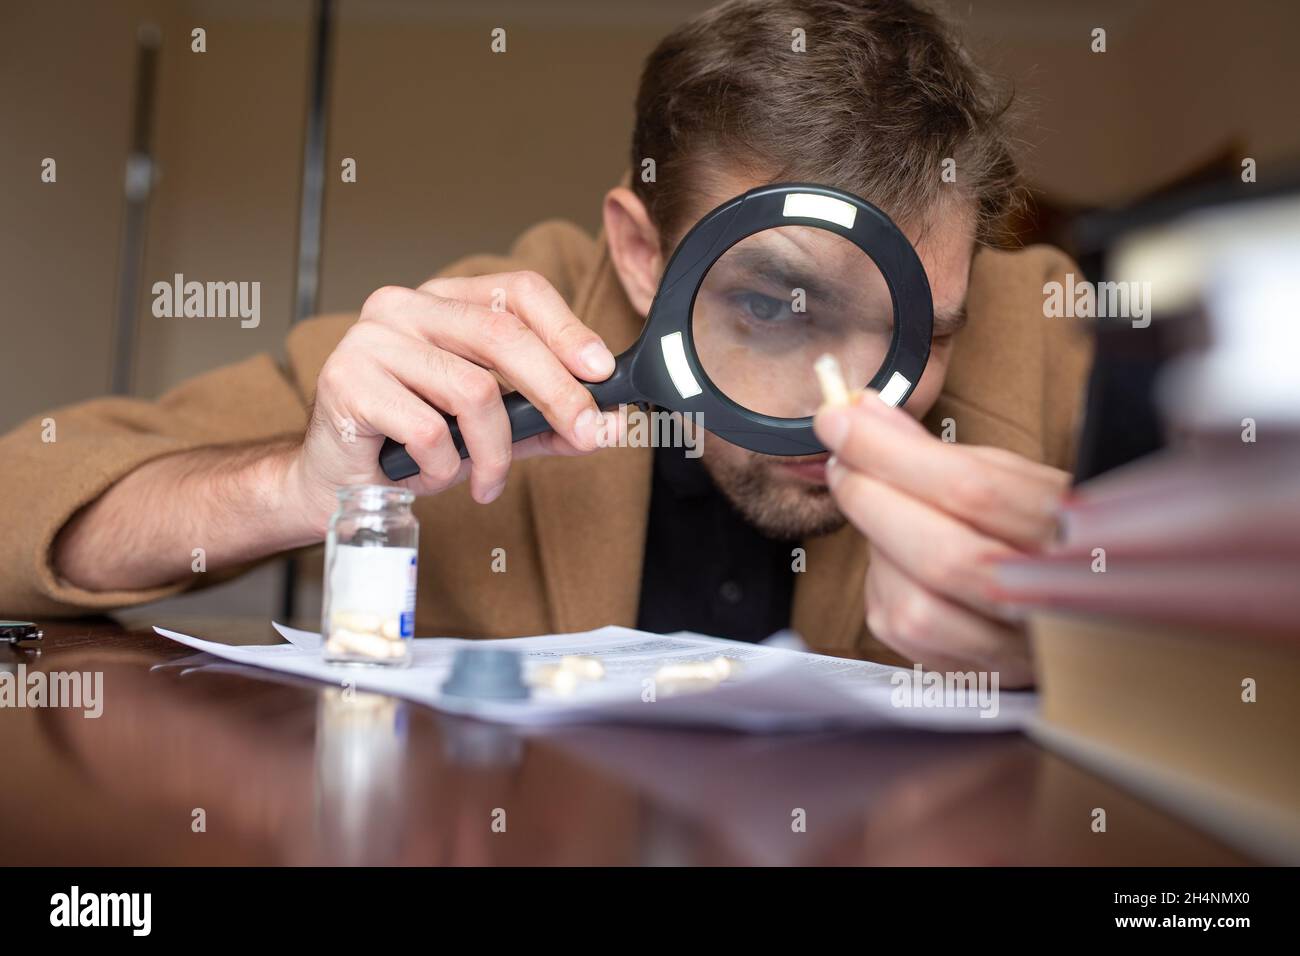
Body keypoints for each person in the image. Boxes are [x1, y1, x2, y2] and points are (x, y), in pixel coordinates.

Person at [0, 0, 1089, 688]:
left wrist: (1092, 640)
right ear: (639, 251)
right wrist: (293, 482)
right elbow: (17, 503)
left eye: (918, 333)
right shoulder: (481, 335)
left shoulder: (1033, 329)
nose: (838, 401)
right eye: (774, 305)